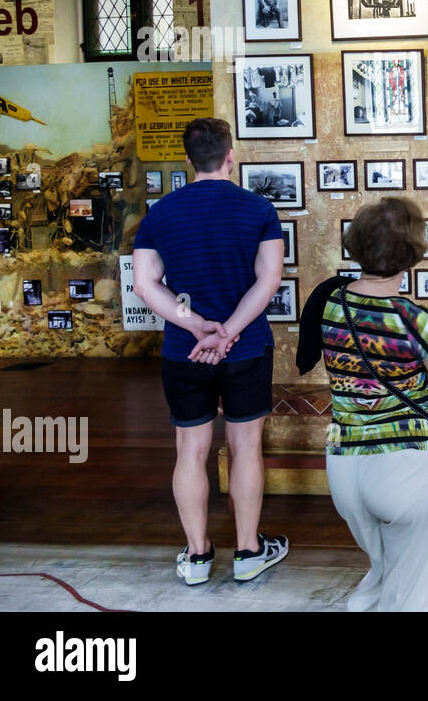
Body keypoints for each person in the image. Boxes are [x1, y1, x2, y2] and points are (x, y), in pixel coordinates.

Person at [131, 117, 289, 586]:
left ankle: (198, 557)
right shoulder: (258, 208)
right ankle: (248, 551)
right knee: (245, 449)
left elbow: (145, 284)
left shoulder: (159, 214)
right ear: (230, 155)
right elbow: (270, 279)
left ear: (187, 160)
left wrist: (198, 326)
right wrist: (230, 331)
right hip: (247, 348)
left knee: (191, 450)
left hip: (185, 351)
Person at [303, 198, 428, 611]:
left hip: (344, 468)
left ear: (355, 244)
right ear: (412, 255)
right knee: (411, 590)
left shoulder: (329, 303)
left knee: (383, 570)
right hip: (404, 468)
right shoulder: (414, 319)